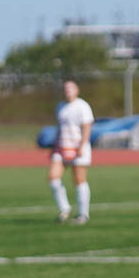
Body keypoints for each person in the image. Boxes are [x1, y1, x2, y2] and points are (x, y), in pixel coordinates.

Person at [48, 80, 93, 225]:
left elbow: (87, 127)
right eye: (65, 88)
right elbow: (59, 128)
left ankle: (83, 215)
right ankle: (65, 208)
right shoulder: (60, 107)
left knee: (79, 180)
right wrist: (54, 145)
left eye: (70, 88)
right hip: (61, 148)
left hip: (77, 148)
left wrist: (81, 146)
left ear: (77, 90)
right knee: (53, 178)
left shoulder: (82, 106)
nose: (67, 91)